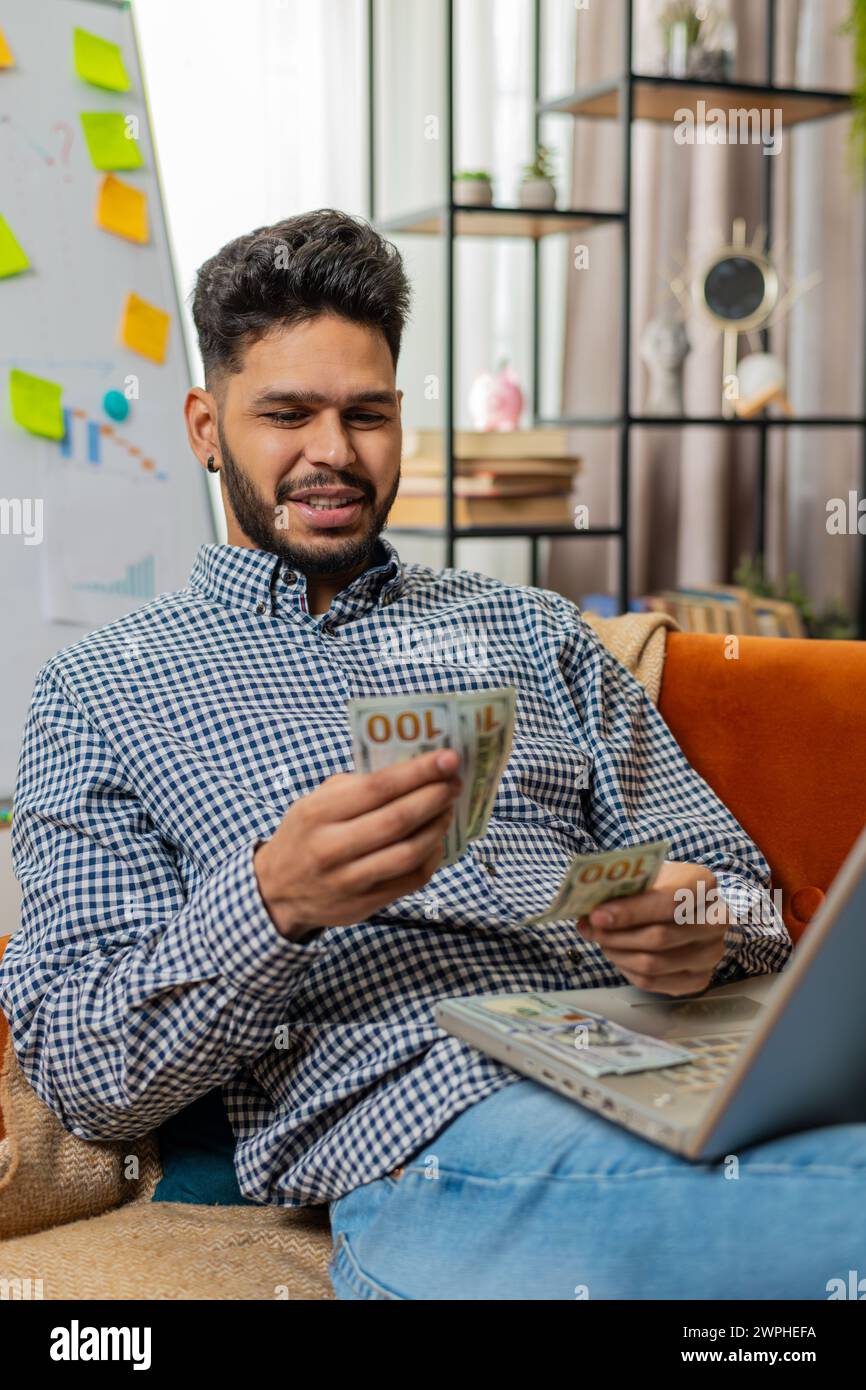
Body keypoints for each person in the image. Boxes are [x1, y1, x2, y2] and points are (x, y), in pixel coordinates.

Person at [1, 210, 862, 1301]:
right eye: (286, 414)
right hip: (429, 1138)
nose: (332, 452)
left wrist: (694, 922)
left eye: (365, 413)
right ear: (205, 426)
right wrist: (272, 900)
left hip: (661, 1064)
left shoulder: (535, 632)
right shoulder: (100, 692)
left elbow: (750, 908)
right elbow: (86, 1075)